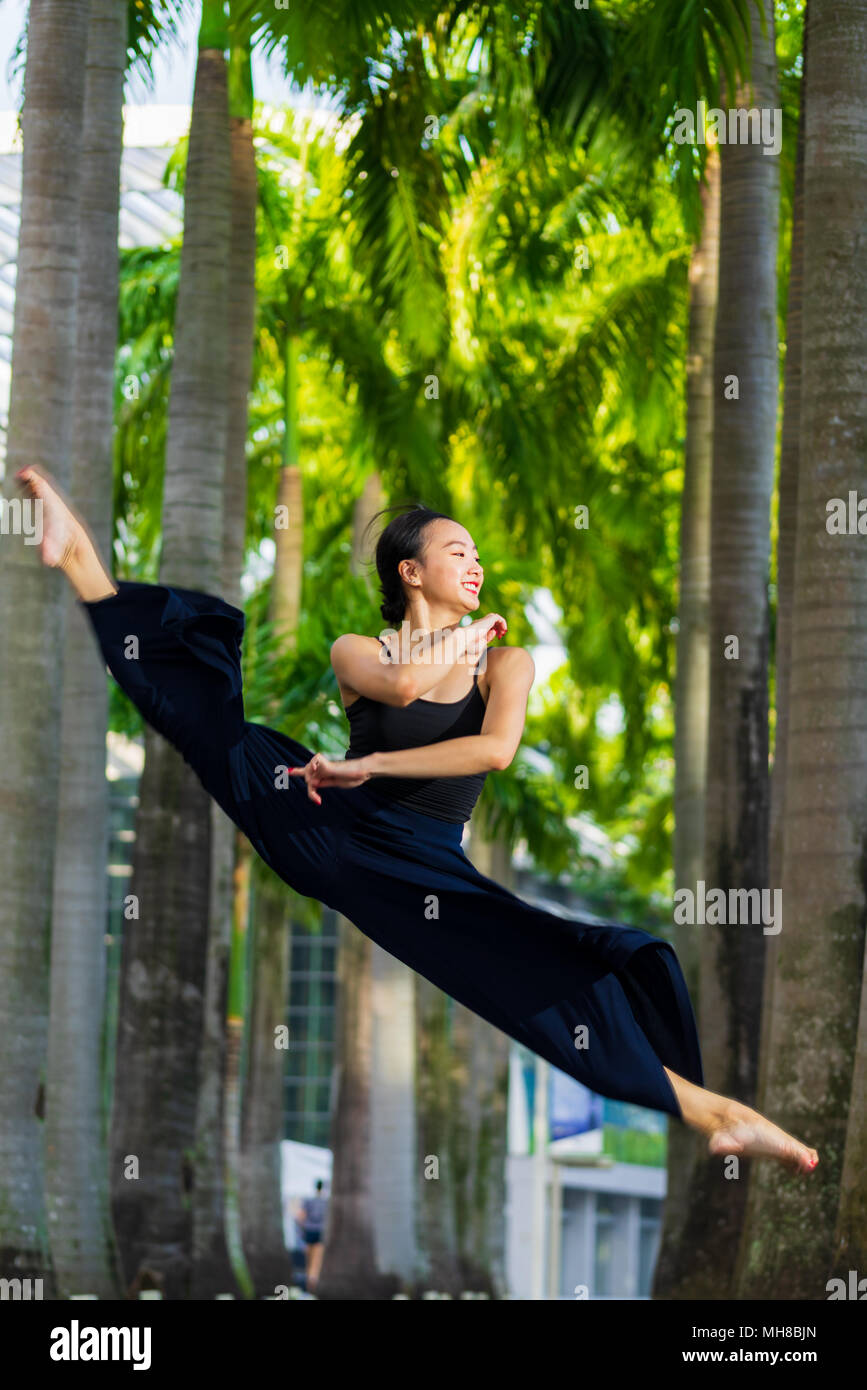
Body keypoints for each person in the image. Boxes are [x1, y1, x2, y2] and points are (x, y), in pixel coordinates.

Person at [17, 466, 819, 1176]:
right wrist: (450, 650)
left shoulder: (507, 662)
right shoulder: (354, 650)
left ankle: (717, 1114)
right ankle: (80, 555)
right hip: (321, 821)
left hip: (417, 867)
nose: (474, 565)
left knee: (532, 972)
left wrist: (376, 761)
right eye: (456, 552)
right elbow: (400, 689)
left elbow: (493, 752)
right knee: (208, 726)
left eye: (475, 555)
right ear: (411, 571)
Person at [296, 1181, 328, 1293]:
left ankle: (309, 1284)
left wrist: (301, 1230)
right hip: (320, 1232)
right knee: (316, 1261)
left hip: (309, 1232)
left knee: (309, 1260)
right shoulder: (326, 1201)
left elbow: (301, 1216)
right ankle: (312, 1283)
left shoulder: (308, 1200)